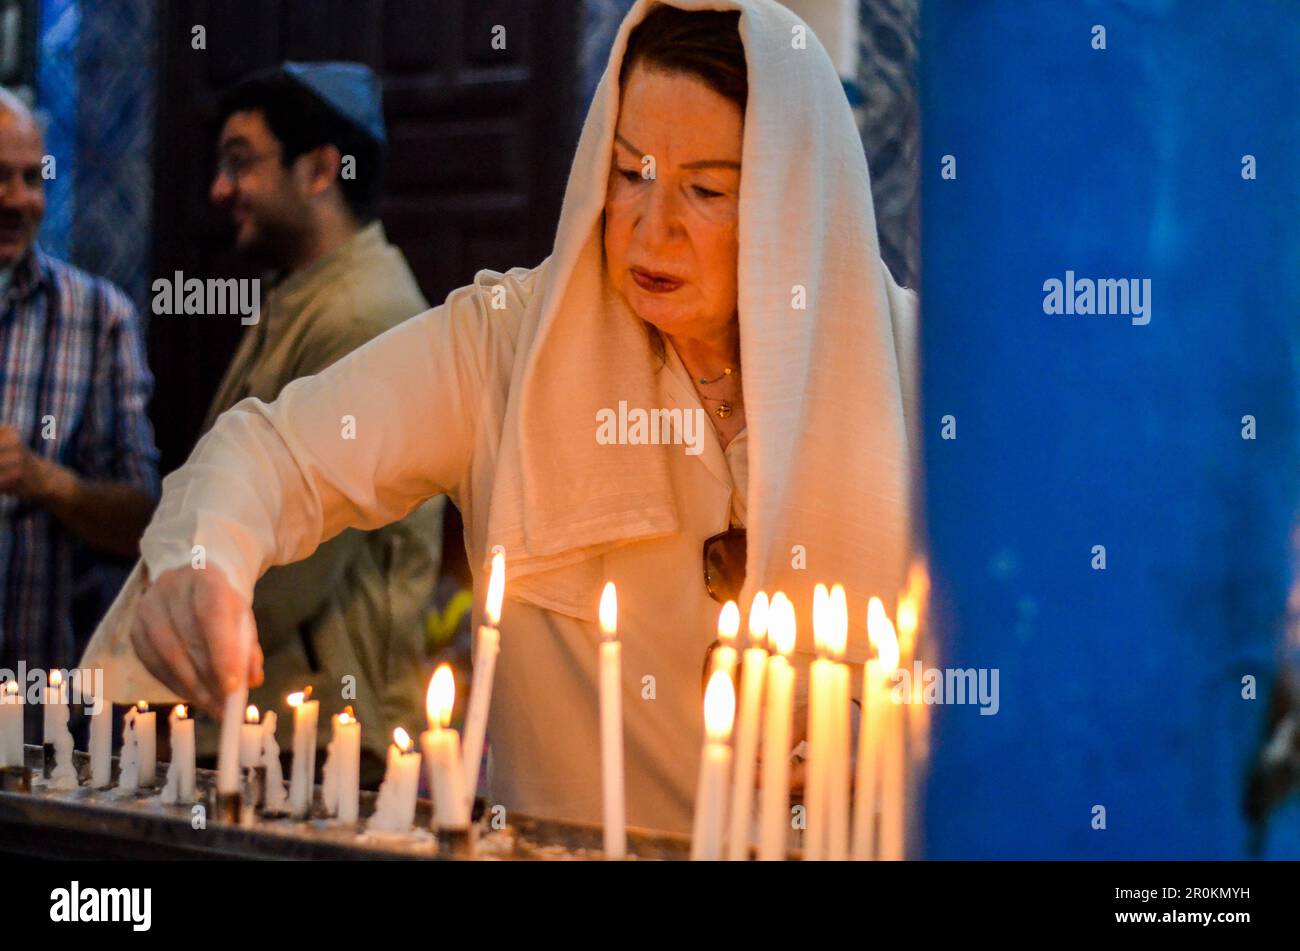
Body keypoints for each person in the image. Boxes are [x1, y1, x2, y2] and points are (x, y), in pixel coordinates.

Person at [83, 0, 918, 835]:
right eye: (630, 172)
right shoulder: (512, 344)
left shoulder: (922, 370)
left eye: (705, 190)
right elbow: (276, 453)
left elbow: (1025, 652)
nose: (648, 226)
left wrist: (899, 731)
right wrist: (206, 557)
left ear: (798, 198)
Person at [191, 63, 443, 780]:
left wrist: (164, 636)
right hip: (276, 728)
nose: (220, 190)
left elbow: (291, 565)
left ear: (322, 169)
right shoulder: (309, 295)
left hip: (318, 740)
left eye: (240, 163)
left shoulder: (363, 314)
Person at [0, 87, 159, 697]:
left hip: (35, 706)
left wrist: (41, 478)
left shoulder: (97, 317)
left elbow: (141, 522)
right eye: (0, 178)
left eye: (32, 178)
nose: (20, 200)